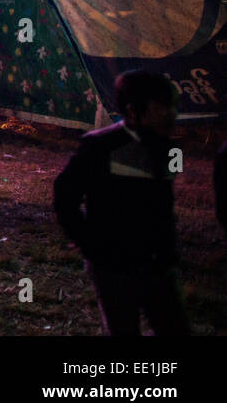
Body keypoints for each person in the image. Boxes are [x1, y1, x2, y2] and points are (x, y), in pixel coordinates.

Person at [53, 70, 190, 336]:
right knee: (123, 327)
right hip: (114, 265)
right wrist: (90, 244)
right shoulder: (100, 146)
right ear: (133, 110)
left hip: (158, 263)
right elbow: (64, 195)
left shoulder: (165, 148)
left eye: (172, 105)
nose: (171, 114)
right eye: (161, 107)